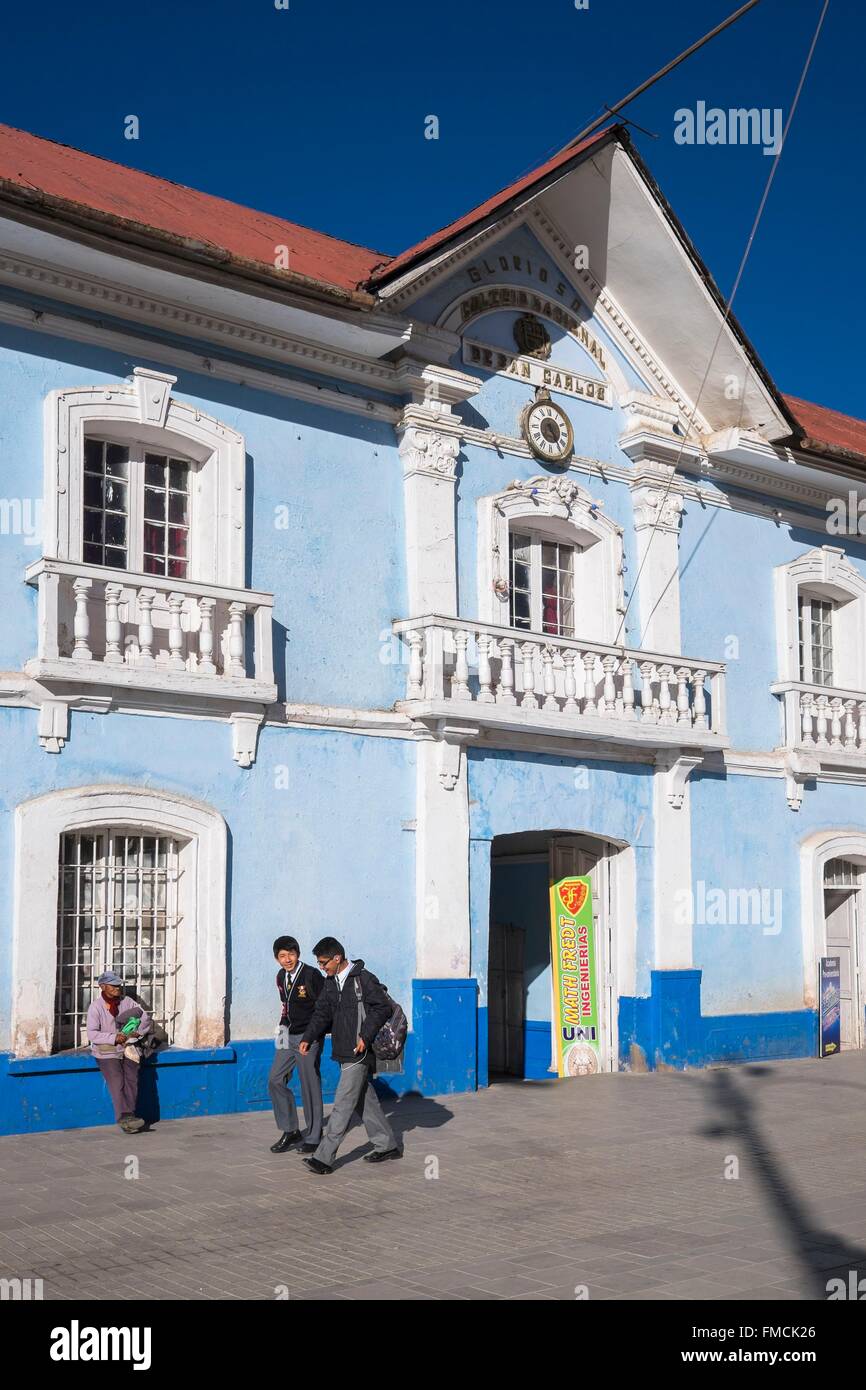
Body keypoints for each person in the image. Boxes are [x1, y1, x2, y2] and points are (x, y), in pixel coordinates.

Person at [299, 937, 401, 1174]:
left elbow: (382, 1008)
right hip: (343, 1050)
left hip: (359, 1051)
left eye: (324, 962)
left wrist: (365, 1035)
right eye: (319, 963)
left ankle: (323, 1158)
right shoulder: (330, 982)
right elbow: (322, 1012)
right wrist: (308, 1037)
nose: (322, 967)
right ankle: (387, 1145)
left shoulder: (363, 979)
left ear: (337, 958)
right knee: (365, 1100)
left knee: (343, 1103)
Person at [268, 936, 325, 1153]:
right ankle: (290, 1130)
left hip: (307, 1038)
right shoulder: (281, 976)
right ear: (277, 959)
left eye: (291, 954)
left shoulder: (311, 975)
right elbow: (285, 1006)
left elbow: (323, 1009)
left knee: (308, 1085)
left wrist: (309, 1037)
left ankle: (313, 1136)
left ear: (297, 954)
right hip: (287, 1035)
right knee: (275, 1079)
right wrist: (282, 1031)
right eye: (282, 956)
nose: (287, 959)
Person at [86, 971, 151, 1134]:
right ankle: (124, 1117)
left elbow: (145, 1018)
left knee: (131, 1080)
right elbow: (92, 1034)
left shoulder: (127, 1002)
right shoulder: (96, 1007)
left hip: (129, 1048)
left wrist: (139, 1031)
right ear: (102, 986)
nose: (117, 988)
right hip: (107, 1052)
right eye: (113, 985)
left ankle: (130, 1117)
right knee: (117, 1081)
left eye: (118, 985)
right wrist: (114, 1038)